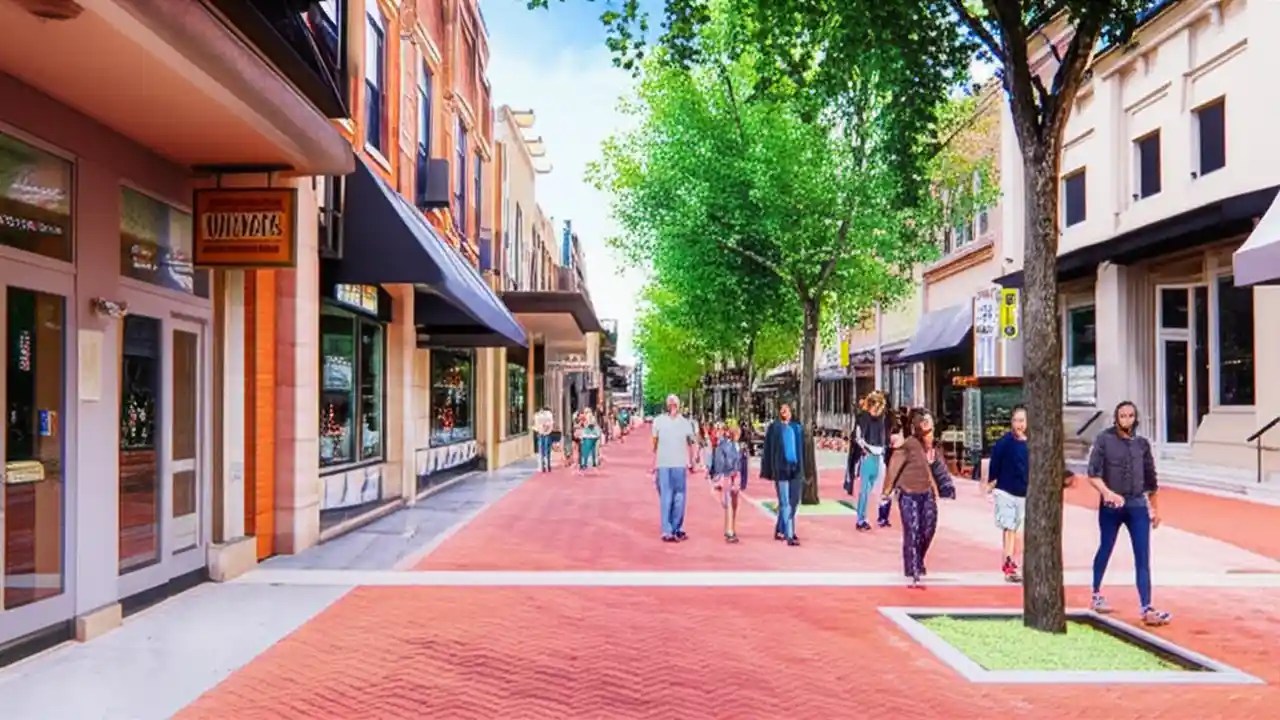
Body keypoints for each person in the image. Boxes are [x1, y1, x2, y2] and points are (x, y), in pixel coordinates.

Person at [1085, 400, 1170, 627]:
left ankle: (1146, 606)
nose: (1126, 420)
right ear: (1116, 418)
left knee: (1142, 556)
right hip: (1111, 507)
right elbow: (1092, 474)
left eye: (1130, 416)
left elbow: (1151, 481)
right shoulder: (1104, 440)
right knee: (1106, 547)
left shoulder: (1142, 445)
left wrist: (1155, 509)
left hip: (1136, 505)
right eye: (1122, 416)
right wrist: (1107, 493)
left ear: (1135, 418)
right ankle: (1096, 593)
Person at [884, 409, 942, 588]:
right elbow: (894, 466)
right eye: (925, 423)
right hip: (908, 492)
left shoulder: (930, 446)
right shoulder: (909, 444)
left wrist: (934, 489)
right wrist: (887, 490)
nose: (929, 426)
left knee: (928, 528)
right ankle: (913, 568)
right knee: (913, 529)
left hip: (926, 493)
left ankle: (917, 559)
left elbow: (926, 469)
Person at [985, 405, 1029, 583]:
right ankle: (1008, 561)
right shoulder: (1004, 443)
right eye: (1016, 420)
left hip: (1024, 492)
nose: (1019, 424)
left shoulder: (1032, 444)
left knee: (1020, 530)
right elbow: (995, 463)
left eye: (1022, 420)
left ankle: (1020, 561)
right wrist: (992, 481)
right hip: (1005, 491)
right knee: (1009, 527)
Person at [652, 394, 696, 542]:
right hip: (666, 464)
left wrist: (692, 461)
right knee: (670, 496)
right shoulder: (659, 422)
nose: (672, 407)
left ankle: (673, 528)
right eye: (671, 404)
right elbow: (654, 444)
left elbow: (691, 443)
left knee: (675, 497)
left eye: (674, 404)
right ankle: (670, 528)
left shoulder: (683, 423)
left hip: (676, 464)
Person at [761, 403, 804, 546]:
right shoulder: (775, 428)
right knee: (785, 502)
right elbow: (770, 450)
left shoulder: (797, 427)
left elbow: (801, 450)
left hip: (795, 469)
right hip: (781, 469)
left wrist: (802, 469)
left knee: (794, 501)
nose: (785, 411)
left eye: (787, 409)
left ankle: (780, 529)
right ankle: (790, 534)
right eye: (782, 409)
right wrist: (770, 469)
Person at [853, 391, 890, 532]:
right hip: (869, 456)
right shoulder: (863, 418)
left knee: (873, 489)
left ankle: (866, 517)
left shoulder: (881, 419)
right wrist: (868, 449)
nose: (879, 409)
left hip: (878, 455)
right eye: (877, 406)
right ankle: (861, 519)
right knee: (864, 490)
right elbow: (858, 438)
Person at [711, 422, 745, 543]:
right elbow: (720, 462)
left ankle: (731, 527)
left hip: (736, 477)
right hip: (727, 476)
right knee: (729, 504)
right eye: (736, 432)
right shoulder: (724, 446)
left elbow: (743, 464)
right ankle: (729, 530)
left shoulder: (739, 447)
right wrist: (720, 475)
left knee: (735, 504)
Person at [533, 407, 555, 472]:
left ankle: (545, 465)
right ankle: (545, 465)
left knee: (544, 450)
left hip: (544, 434)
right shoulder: (538, 416)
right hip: (543, 434)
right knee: (544, 450)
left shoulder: (540, 415)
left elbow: (550, 424)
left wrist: (542, 428)